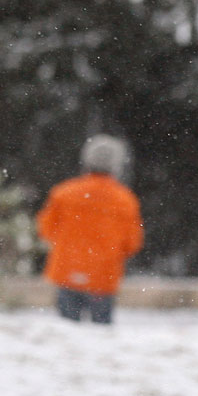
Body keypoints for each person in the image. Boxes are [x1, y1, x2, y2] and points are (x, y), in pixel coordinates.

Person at [36, 134, 144, 324]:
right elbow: (132, 243)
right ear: (116, 165)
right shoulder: (125, 200)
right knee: (101, 338)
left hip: (67, 272)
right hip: (103, 278)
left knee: (66, 333)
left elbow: (46, 229)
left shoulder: (63, 193)